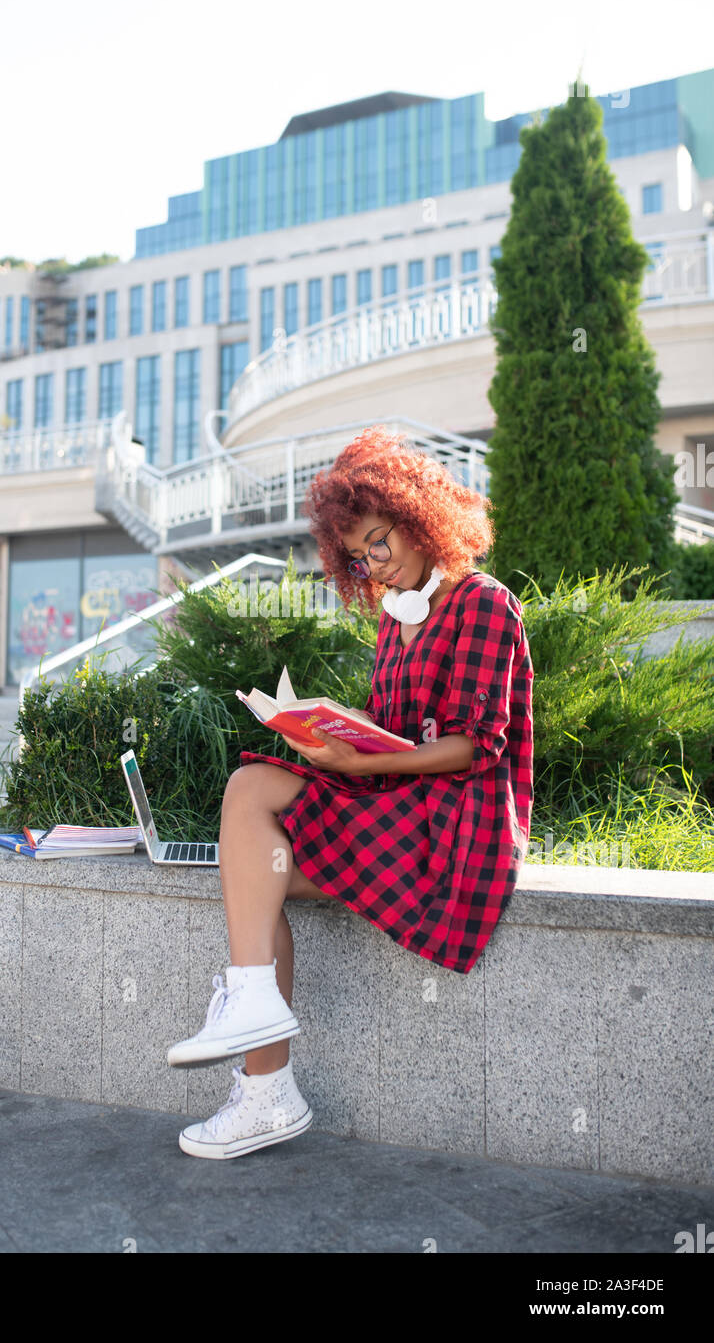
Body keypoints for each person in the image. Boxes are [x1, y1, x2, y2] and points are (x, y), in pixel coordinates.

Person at [168, 425, 534, 1159]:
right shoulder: (396, 623)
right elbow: (398, 731)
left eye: (380, 542)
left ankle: (258, 1051)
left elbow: (470, 747)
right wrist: (333, 741)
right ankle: (265, 1084)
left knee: (250, 813)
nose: (374, 564)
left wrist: (362, 767)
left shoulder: (485, 604)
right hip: (401, 800)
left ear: (421, 515)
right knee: (254, 861)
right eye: (359, 556)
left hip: (458, 824)